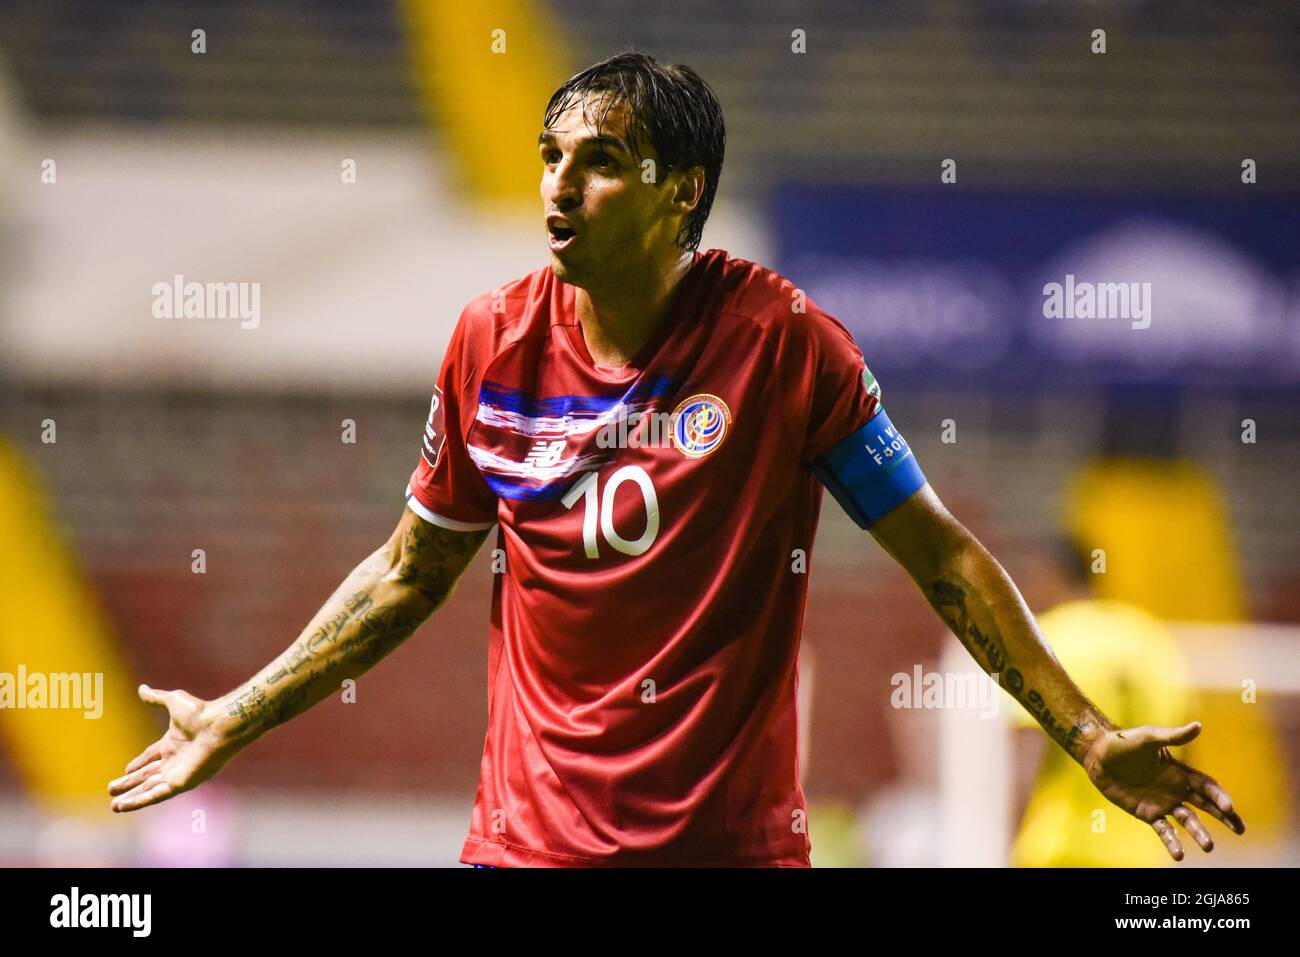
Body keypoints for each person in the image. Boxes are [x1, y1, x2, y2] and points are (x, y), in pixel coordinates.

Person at [108, 52, 1245, 867]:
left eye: (599, 160)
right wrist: (236, 713)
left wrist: (1087, 734)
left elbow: (938, 553)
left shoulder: (782, 344)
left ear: (680, 190)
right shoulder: (489, 343)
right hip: (526, 849)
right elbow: (409, 572)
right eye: (549, 156)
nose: (559, 185)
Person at [1008, 538, 1196, 867]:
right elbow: (1187, 737)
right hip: (1144, 852)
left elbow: (1029, 755)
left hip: (1061, 851)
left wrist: (1011, 841)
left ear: (1051, 576)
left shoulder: (1046, 639)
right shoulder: (1150, 637)